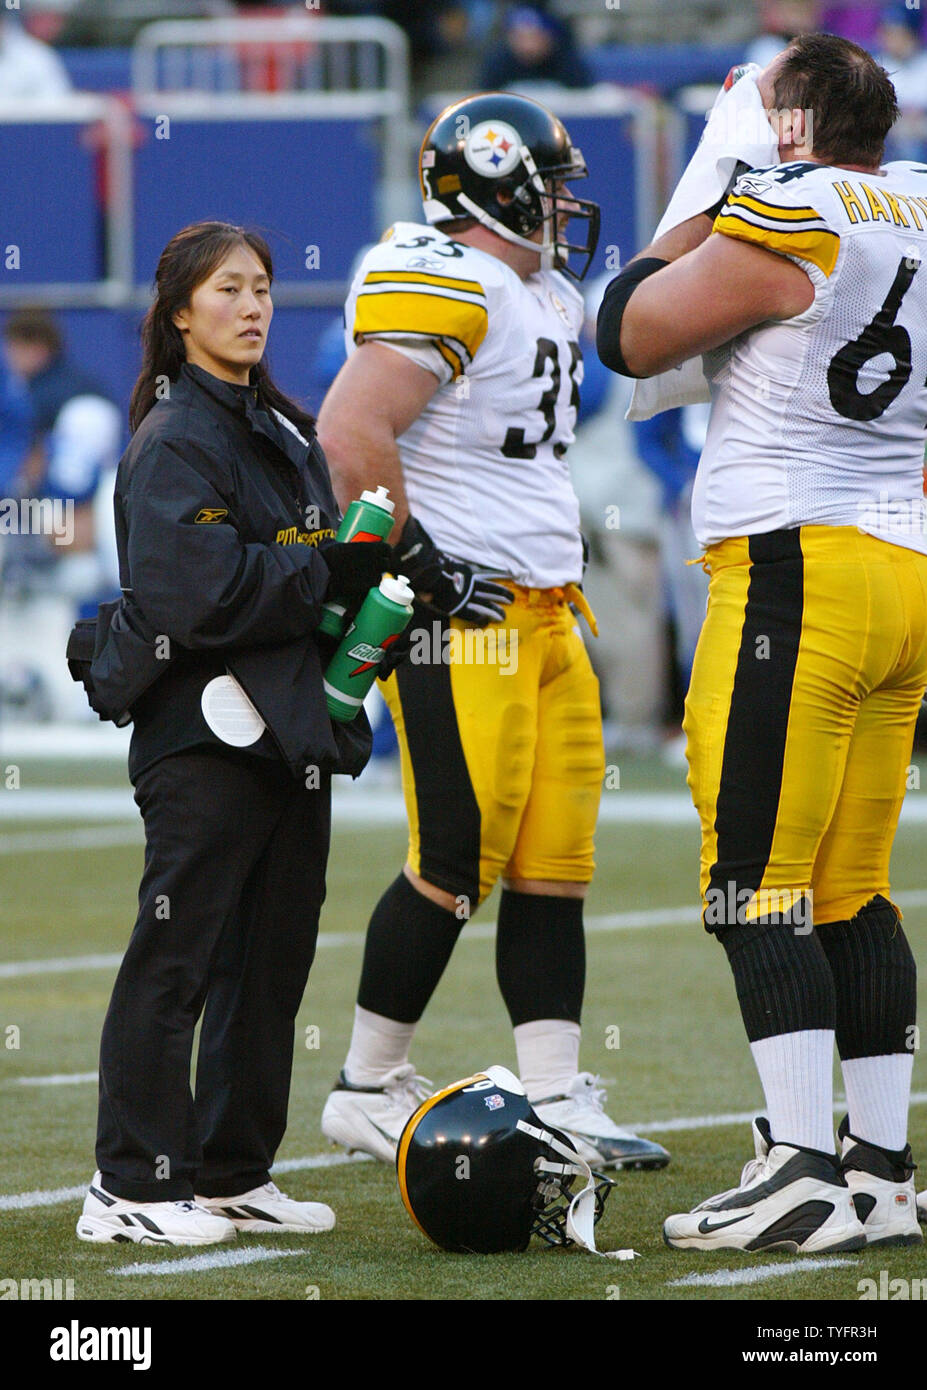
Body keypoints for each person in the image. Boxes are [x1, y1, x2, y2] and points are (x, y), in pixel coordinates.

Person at [598, 34, 927, 1252]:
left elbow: (628, 333)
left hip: (796, 566)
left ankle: (797, 1165)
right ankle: (878, 1169)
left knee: (753, 884)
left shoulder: (792, 206)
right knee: (852, 889)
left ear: (786, 125)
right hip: (903, 565)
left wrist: (691, 212)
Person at [316, 91, 670, 1172]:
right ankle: (367, 1082)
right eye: (551, 183)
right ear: (497, 183)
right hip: (461, 620)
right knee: (454, 855)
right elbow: (349, 427)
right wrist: (417, 565)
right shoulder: (446, 275)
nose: (566, 203)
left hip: (550, 607)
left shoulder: (546, 293)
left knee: (555, 862)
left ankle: (557, 1091)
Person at [75, 221, 394, 1246]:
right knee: (176, 961)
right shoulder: (174, 436)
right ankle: (126, 1184)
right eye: (226, 290)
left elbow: (308, 559)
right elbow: (193, 594)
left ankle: (230, 1169)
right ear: (179, 313)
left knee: (270, 962)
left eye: (261, 286)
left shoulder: (280, 423)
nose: (252, 305)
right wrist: (322, 576)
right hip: (200, 735)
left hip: (286, 728)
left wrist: (386, 582)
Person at [3, 310, 122, 618]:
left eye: (16, 347)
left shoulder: (51, 396)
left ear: (37, 347)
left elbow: (67, 478)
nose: (11, 356)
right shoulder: (53, 384)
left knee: (80, 556)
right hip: (71, 511)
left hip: (78, 509)